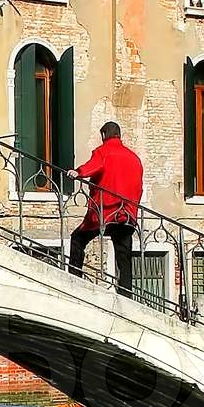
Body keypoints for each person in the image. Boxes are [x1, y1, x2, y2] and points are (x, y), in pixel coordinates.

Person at [67, 122, 143, 298]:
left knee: (77, 238)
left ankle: (74, 280)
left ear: (104, 135)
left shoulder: (103, 152)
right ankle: (126, 294)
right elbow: (139, 187)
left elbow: (93, 166)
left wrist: (78, 172)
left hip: (105, 212)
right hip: (127, 214)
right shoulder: (134, 158)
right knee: (123, 254)